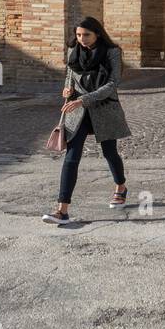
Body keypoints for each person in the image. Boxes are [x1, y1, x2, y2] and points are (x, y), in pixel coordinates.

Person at [42, 16, 131, 226]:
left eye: (86, 35)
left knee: (110, 152)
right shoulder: (74, 50)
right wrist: (67, 89)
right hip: (78, 111)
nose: (82, 39)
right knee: (71, 157)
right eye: (79, 35)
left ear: (97, 33)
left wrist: (84, 99)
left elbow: (113, 84)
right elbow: (70, 75)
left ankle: (120, 186)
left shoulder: (112, 52)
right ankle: (62, 210)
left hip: (104, 108)